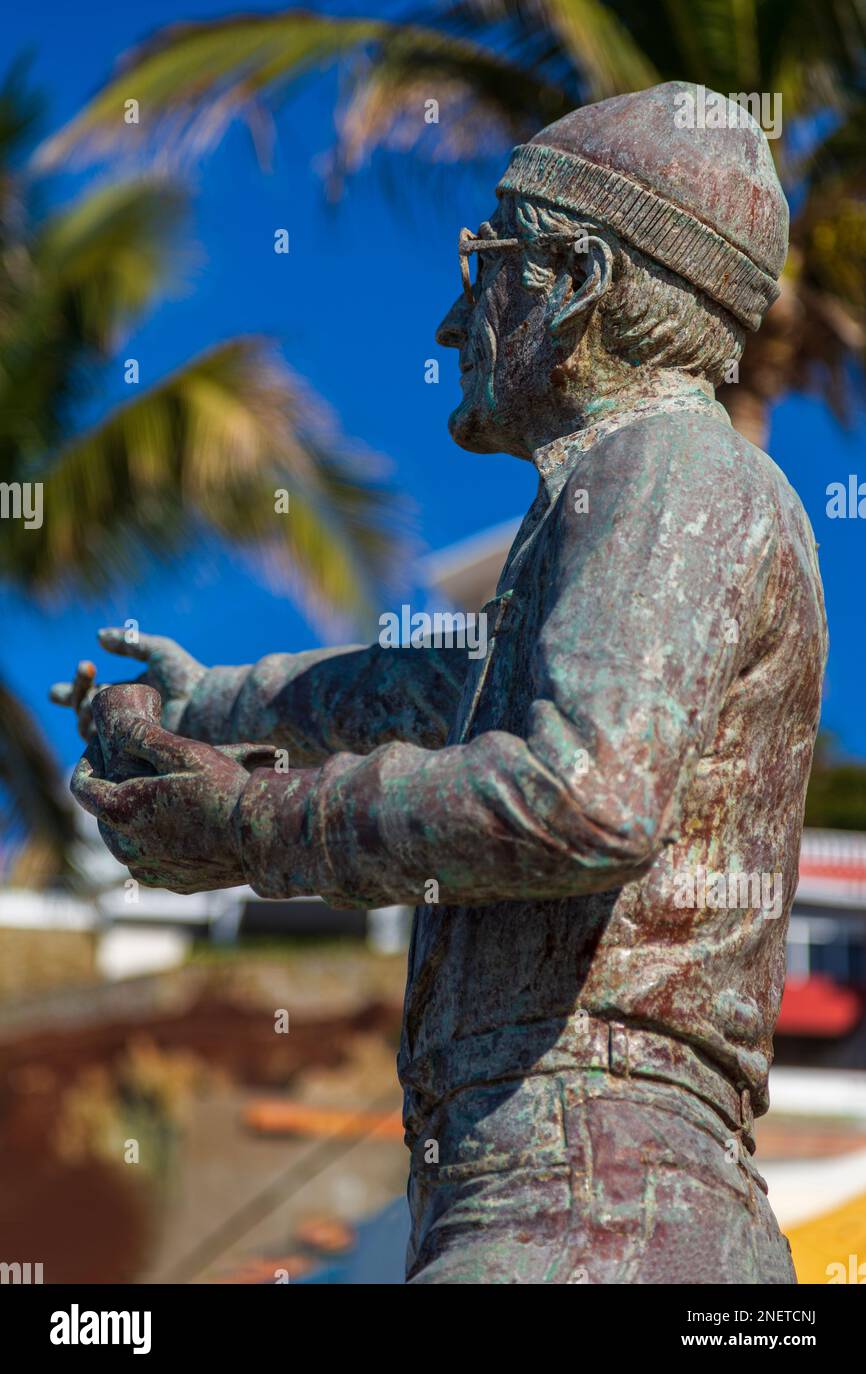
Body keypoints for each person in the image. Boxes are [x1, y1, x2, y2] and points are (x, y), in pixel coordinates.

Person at [55, 83, 827, 1284]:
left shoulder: (661, 468)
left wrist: (246, 824)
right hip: (583, 1203)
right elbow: (424, 690)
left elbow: (582, 799)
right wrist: (209, 703)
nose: (449, 323)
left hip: (589, 1213)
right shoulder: (629, 490)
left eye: (487, 265)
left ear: (572, 282)